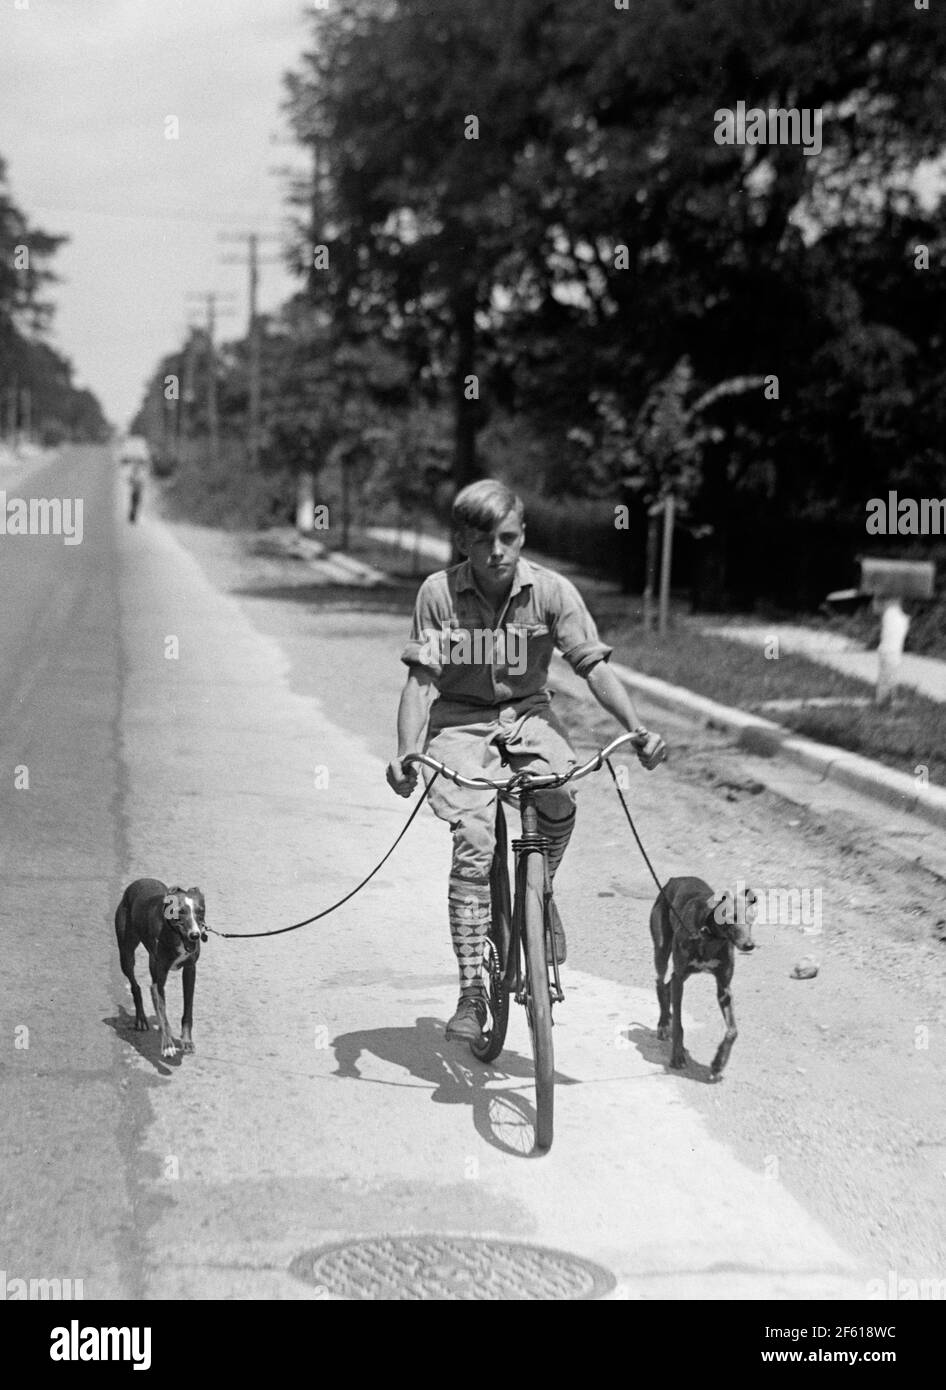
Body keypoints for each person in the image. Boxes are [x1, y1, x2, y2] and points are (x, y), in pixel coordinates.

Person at [386, 479, 666, 1045]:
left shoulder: (553, 592)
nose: (497, 551)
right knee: (473, 841)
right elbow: (421, 684)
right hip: (460, 722)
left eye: (508, 537)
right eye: (483, 538)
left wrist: (635, 729)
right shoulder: (438, 594)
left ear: (522, 536)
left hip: (529, 716)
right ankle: (471, 992)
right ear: (463, 539)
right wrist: (405, 754)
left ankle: (540, 893)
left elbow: (592, 665)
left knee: (560, 794)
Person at [128, 457, 147, 523]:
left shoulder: (136, 476)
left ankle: (132, 517)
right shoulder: (137, 476)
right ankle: (132, 517)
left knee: (135, 505)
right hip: (136, 493)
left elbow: (131, 482)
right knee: (135, 505)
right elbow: (132, 482)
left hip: (136, 492)